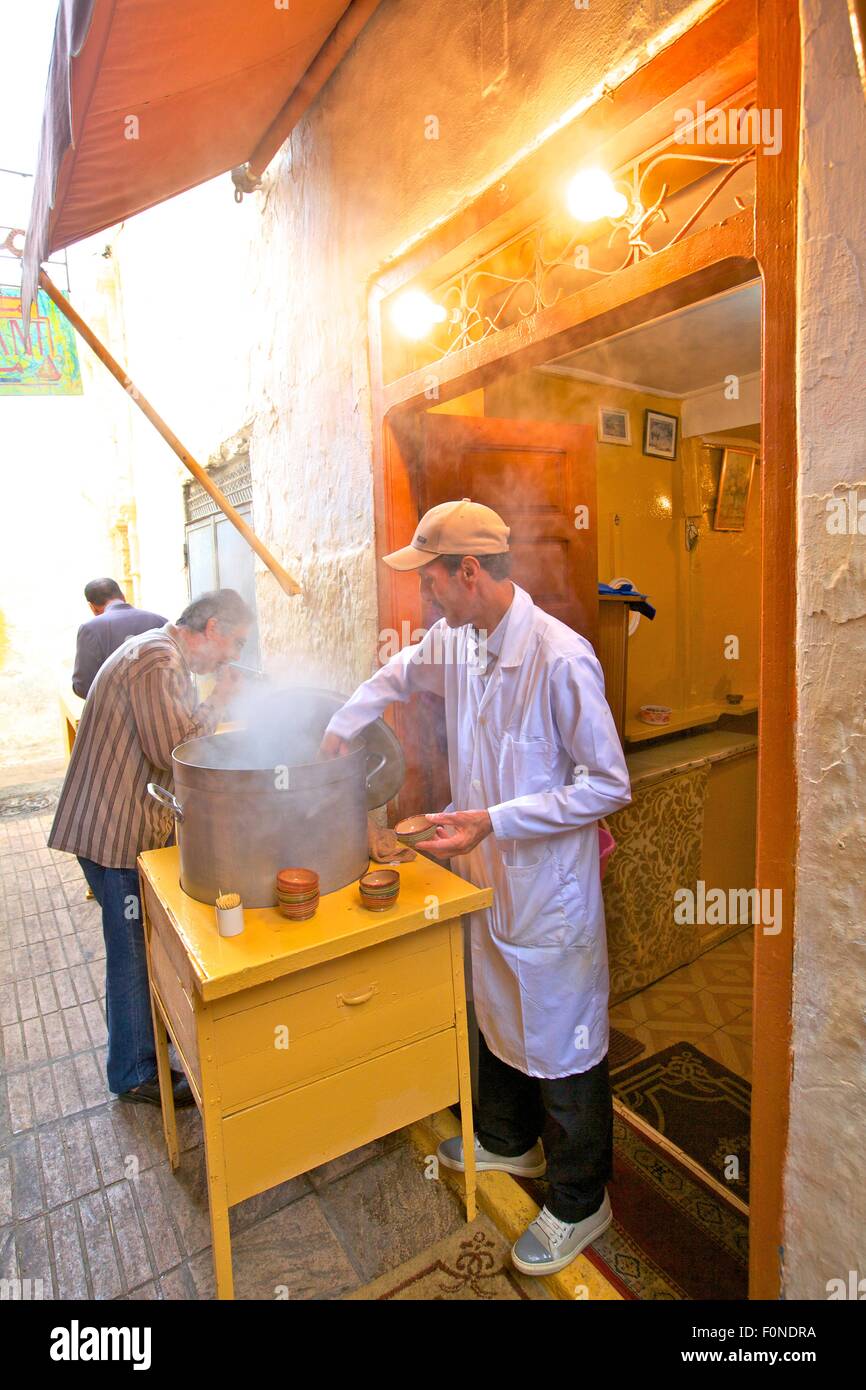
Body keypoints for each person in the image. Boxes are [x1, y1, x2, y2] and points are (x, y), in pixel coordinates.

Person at [321, 499, 631, 1277]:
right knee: (494, 1012)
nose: (424, 595)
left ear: (468, 571)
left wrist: (495, 819)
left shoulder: (561, 659)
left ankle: (579, 1198)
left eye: (430, 578)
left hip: (546, 891)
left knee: (564, 1044)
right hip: (485, 879)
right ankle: (504, 1142)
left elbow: (607, 785)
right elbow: (398, 671)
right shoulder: (459, 642)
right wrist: (343, 725)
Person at [49, 589, 251, 1106]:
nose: (231, 656)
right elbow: (172, 751)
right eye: (233, 643)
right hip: (112, 834)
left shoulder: (160, 653)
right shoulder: (158, 660)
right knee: (133, 950)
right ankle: (136, 1071)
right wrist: (222, 698)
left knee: (137, 945)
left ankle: (143, 1045)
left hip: (117, 825)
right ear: (209, 627)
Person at [72, 578, 168, 698]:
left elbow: (83, 686)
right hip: (160, 711)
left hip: (116, 714)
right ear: (123, 596)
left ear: (92, 607)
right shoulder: (161, 622)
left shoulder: (90, 629)